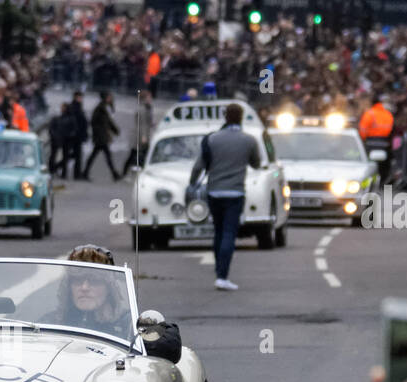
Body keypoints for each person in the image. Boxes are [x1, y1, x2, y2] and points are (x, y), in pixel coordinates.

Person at [57, 244, 182, 361]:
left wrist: (133, 341)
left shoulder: (127, 323)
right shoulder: (55, 321)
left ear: (108, 288)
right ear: (68, 287)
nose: (84, 287)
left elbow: (170, 346)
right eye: (77, 280)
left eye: (94, 281)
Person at [189, 102, 260, 292]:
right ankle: (222, 276)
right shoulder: (249, 140)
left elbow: (198, 166)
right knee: (229, 233)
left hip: (214, 192)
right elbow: (256, 163)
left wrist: (192, 183)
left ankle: (218, 270)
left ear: (225, 117)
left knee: (218, 231)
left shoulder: (212, 139)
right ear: (241, 117)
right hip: (235, 192)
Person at [83, 91, 120, 180]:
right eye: (109, 97)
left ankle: (85, 172)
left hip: (102, 137)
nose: (110, 99)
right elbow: (94, 122)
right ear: (105, 98)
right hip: (100, 137)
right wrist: (100, 133)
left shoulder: (103, 108)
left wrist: (115, 130)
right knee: (106, 156)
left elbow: (108, 122)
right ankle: (114, 174)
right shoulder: (100, 109)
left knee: (95, 155)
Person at [121, 90, 153, 176]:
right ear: (144, 98)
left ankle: (125, 172)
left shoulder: (147, 108)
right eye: (149, 97)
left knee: (135, 155)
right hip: (139, 136)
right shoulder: (142, 109)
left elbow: (147, 122)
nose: (150, 99)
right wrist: (144, 136)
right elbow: (141, 124)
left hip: (142, 135)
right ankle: (126, 172)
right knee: (135, 154)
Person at [62, 92, 88, 181]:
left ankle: (75, 173)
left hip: (76, 135)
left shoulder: (78, 107)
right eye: (79, 97)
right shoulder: (74, 107)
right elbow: (75, 121)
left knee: (75, 155)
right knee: (72, 155)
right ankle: (68, 172)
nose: (81, 99)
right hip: (74, 135)